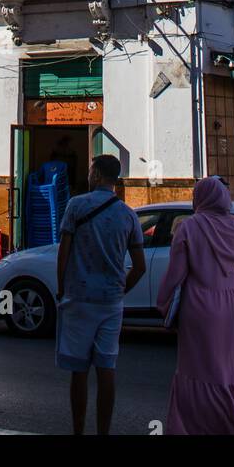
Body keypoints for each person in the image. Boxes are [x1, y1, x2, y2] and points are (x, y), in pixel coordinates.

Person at [158, 175, 234, 435]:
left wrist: (163, 305)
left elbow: (175, 275)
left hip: (201, 306)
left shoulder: (188, 227)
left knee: (200, 373)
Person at [55, 154, 146, 436]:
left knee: (78, 370)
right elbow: (139, 267)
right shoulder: (129, 215)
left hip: (79, 298)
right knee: (106, 367)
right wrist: (121, 290)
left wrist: (61, 289)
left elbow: (63, 253)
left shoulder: (76, 206)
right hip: (110, 301)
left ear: (95, 174)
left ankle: (78, 431)